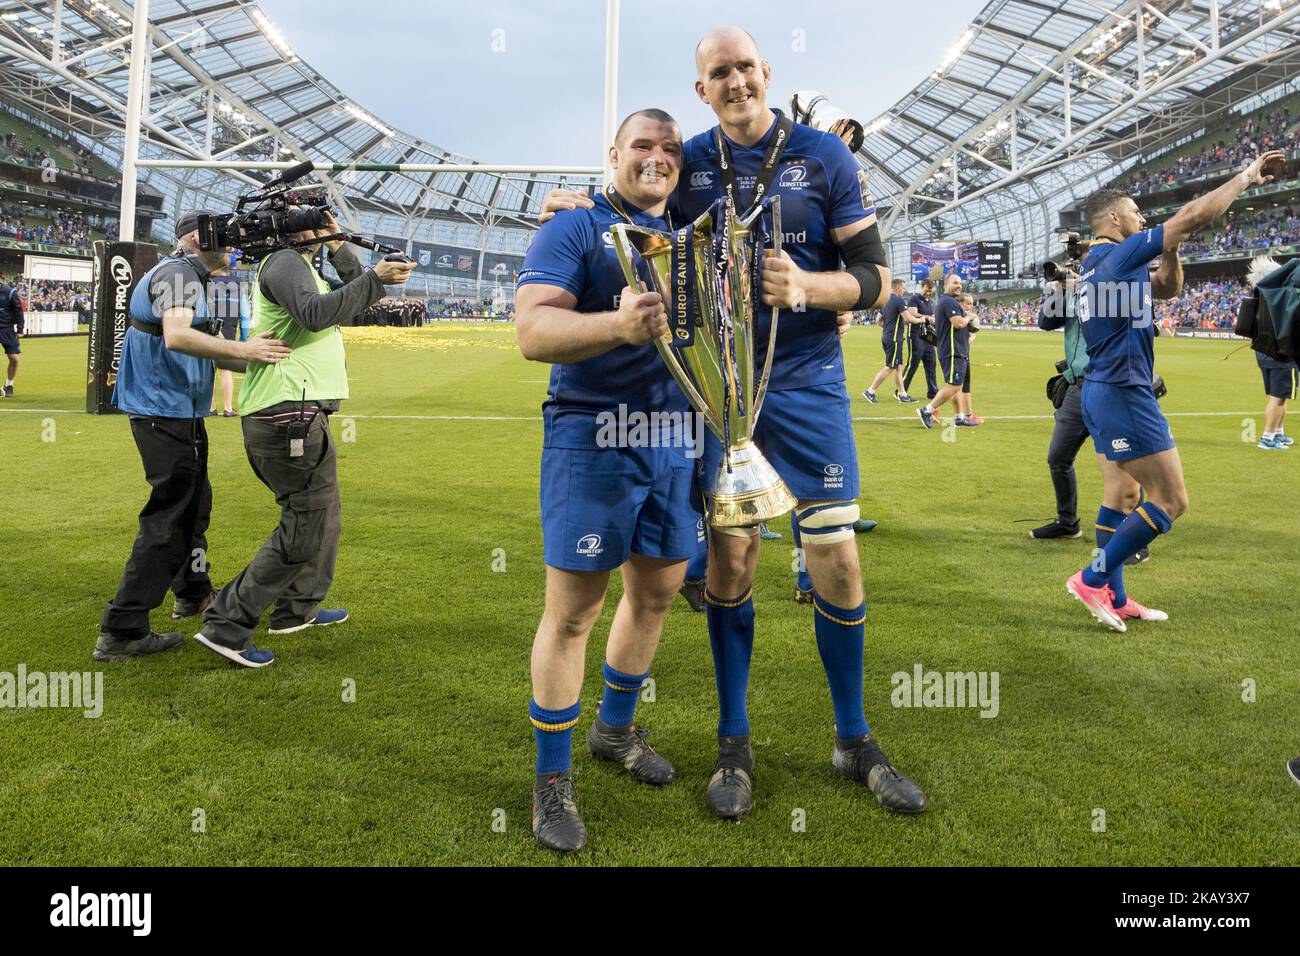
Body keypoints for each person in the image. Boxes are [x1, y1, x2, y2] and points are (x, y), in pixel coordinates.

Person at [515, 109, 701, 853]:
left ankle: (614, 732)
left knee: (655, 593)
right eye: (641, 147)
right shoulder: (574, 228)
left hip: (677, 441)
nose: (655, 159)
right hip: (592, 437)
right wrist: (614, 327)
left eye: (669, 149)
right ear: (613, 154)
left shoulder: (693, 240)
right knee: (572, 613)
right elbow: (532, 332)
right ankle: (551, 782)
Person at [1066, 150, 1285, 632]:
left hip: (1105, 391)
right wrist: (1246, 177)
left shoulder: (1105, 263)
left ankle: (1117, 598)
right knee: (1171, 500)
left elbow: (1166, 289)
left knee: (1124, 494)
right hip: (1124, 392)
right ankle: (1091, 578)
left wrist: (1171, 248)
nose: (1144, 218)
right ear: (1115, 218)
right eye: (1137, 214)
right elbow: (1191, 216)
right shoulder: (1117, 254)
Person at [195, 211, 414, 667]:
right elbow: (316, 316)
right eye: (317, 222)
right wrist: (371, 274)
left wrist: (339, 249)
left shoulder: (299, 264)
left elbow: (356, 306)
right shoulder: (284, 262)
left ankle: (297, 608)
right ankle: (226, 625)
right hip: (286, 413)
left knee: (323, 514)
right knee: (304, 523)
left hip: (298, 411)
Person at [94, 211, 293, 662]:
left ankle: (193, 592)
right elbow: (179, 337)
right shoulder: (179, 275)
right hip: (162, 410)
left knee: (193, 505)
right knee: (169, 517)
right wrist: (246, 350)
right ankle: (122, 628)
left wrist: (267, 358)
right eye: (226, 239)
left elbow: (211, 351)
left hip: (174, 408)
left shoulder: (192, 277)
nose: (234, 246)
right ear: (195, 240)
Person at [917, 273, 971, 429]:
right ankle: (927, 410)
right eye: (955, 282)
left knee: (955, 384)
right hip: (953, 350)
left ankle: (959, 416)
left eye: (960, 283)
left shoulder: (947, 302)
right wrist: (969, 317)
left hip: (952, 349)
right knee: (954, 385)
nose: (959, 285)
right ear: (946, 284)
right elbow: (959, 323)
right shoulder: (949, 302)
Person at [862, 278, 921, 404]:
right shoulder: (899, 300)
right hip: (894, 339)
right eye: (903, 288)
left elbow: (878, 319)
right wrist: (922, 320)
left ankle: (902, 394)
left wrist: (887, 327)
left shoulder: (886, 300)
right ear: (898, 287)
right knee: (890, 366)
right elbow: (908, 318)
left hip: (886, 337)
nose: (904, 290)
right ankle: (870, 391)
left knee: (898, 367)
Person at [902, 278, 938, 400]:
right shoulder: (914, 298)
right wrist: (928, 317)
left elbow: (931, 317)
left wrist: (933, 320)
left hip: (928, 335)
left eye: (930, 291)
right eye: (926, 290)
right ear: (921, 287)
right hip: (915, 334)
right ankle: (901, 391)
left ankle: (933, 392)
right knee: (913, 364)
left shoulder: (931, 302)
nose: (928, 293)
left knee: (931, 363)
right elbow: (912, 313)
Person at [1256, 347, 1296, 450]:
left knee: (1279, 397)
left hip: (1264, 356)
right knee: (1278, 399)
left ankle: (1277, 434)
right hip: (1282, 358)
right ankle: (1267, 438)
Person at [958, 293, 983, 425]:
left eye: (972, 303)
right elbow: (963, 339)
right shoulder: (959, 318)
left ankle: (969, 414)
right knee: (954, 387)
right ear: (961, 303)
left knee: (965, 387)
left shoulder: (966, 318)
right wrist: (972, 338)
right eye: (968, 303)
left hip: (965, 354)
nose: (971, 306)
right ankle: (934, 409)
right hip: (959, 355)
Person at [0, 275, 23, 397]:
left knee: (14, 358)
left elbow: (18, 311)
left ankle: (8, 385)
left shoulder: (10, 292)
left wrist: (20, 329)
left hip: (6, 329)